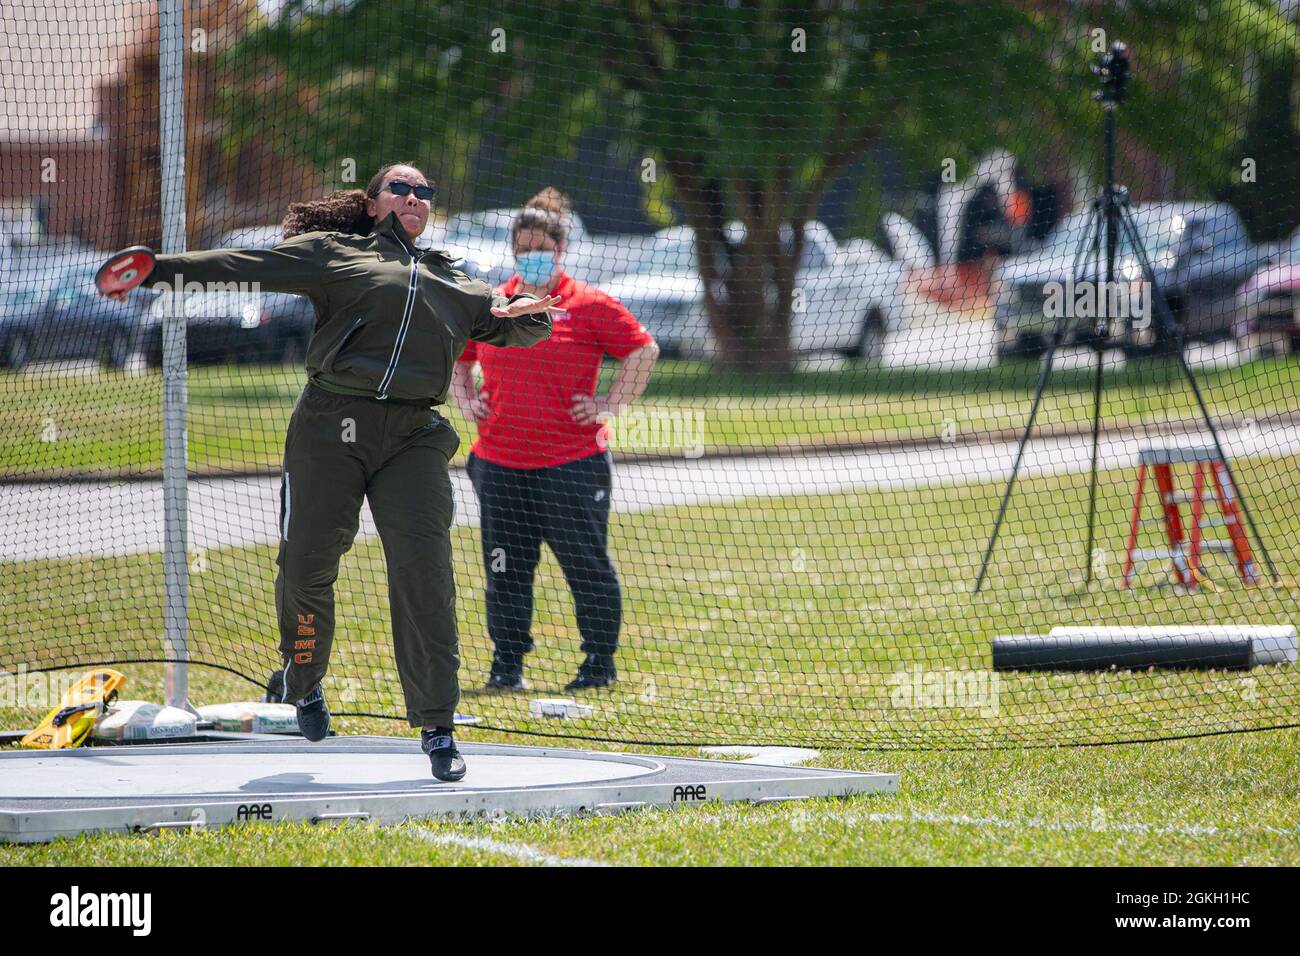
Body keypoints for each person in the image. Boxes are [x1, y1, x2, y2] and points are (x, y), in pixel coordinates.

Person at [100, 163, 560, 779]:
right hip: (329, 424)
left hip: (414, 437)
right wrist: (159, 268)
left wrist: (532, 314)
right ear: (372, 204)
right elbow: (245, 266)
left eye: (425, 191)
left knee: (425, 570)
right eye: (401, 187)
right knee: (306, 565)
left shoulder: (457, 281)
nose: (414, 197)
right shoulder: (333, 252)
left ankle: (437, 726)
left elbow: (518, 326)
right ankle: (303, 678)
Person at [451, 192, 659, 691]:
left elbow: (643, 350)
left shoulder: (588, 304)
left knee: (585, 565)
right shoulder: (494, 304)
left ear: (561, 248)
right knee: (504, 568)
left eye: (540, 247)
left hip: (573, 464)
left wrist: (609, 405)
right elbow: (460, 361)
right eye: (522, 248)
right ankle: (507, 666)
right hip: (499, 464)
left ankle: (598, 665)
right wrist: (465, 399)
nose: (531, 256)